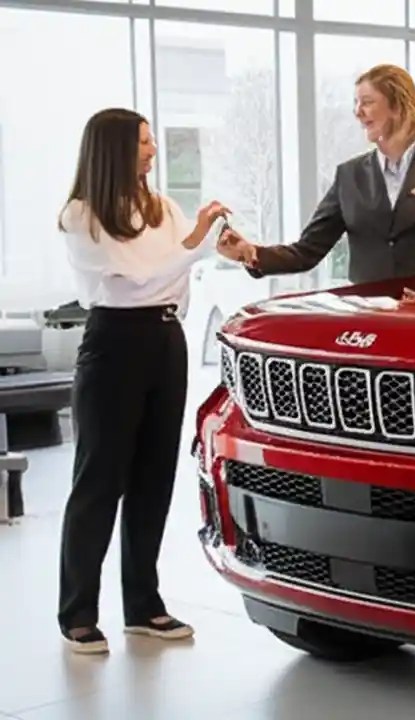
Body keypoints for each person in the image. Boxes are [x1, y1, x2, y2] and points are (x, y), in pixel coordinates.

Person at [56, 107, 230, 654]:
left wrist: (215, 239)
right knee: (99, 481)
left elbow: (178, 262)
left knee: (154, 477)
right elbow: (136, 279)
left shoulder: (162, 206)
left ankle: (143, 606)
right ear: (113, 152)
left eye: (152, 142)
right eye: (144, 144)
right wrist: (199, 245)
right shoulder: (80, 215)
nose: (154, 152)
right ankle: (78, 613)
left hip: (164, 341)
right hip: (114, 343)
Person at [218, 63, 415, 283]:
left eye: (367, 102)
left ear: (397, 107)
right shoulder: (349, 176)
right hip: (368, 322)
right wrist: (251, 253)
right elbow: (307, 251)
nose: (358, 112)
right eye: (356, 103)